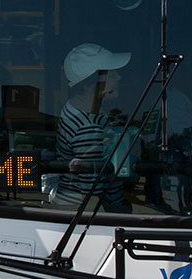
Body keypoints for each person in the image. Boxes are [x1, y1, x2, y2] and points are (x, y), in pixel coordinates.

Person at [50, 42, 133, 213]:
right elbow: (93, 193)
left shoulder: (77, 109)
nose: (119, 77)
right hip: (86, 211)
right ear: (92, 83)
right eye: (111, 73)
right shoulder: (89, 128)